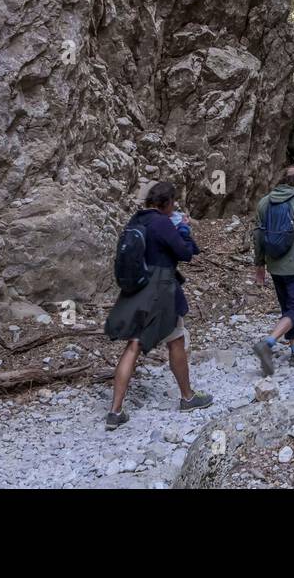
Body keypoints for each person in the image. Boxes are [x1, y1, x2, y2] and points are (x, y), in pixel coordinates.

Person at [104, 181, 212, 430]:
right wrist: (183, 229)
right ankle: (188, 397)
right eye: (173, 202)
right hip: (161, 289)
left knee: (133, 344)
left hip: (137, 290)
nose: (174, 206)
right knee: (175, 340)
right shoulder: (162, 222)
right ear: (165, 203)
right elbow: (185, 253)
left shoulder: (136, 220)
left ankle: (115, 411)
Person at [251, 166, 294, 375]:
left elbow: (258, 236)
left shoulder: (264, 202)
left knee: (287, 310)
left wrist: (259, 264)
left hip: (274, 265)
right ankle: (269, 343)